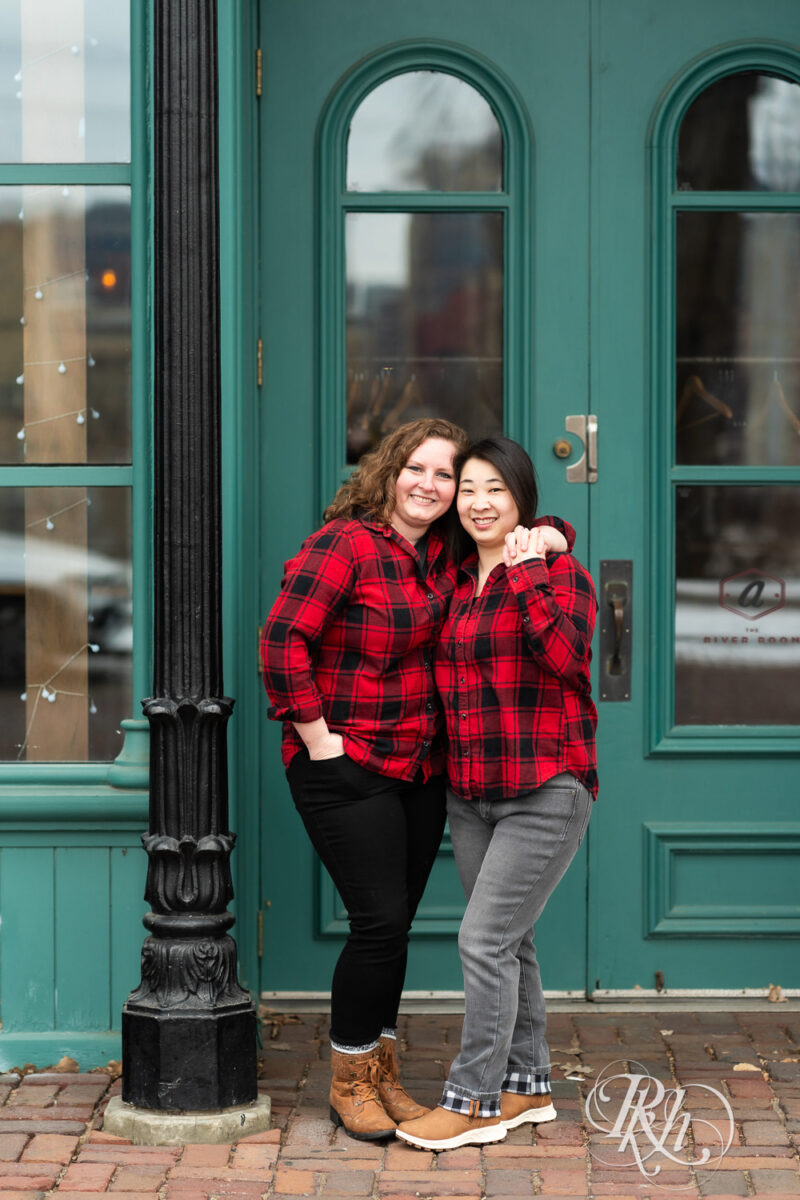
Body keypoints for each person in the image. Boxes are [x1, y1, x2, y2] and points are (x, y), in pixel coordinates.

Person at [260, 419, 570, 1142]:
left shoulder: (443, 552)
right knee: (377, 924)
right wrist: (318, 742)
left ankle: (382, 1071)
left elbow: (528, 517)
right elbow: (283, 639)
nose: (431, 487)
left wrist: (551, 537)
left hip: (422, 769)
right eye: (418, 470)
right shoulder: (346, 545)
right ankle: (349, 1080)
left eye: (447, 476)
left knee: (393, 928)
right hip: (347, 764)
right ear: (389, 472)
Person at [395, 436, 598, 1153]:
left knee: (482, 939)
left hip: (546, 787)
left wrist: (534, 564)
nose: (480, 503)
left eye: (497, 491)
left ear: (522, 501)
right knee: (512, 941)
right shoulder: (450, 579)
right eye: (470, 489)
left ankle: (473, 1099)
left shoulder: (558, 573)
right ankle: (528, 1085)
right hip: (472, 794)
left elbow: (568, 659)